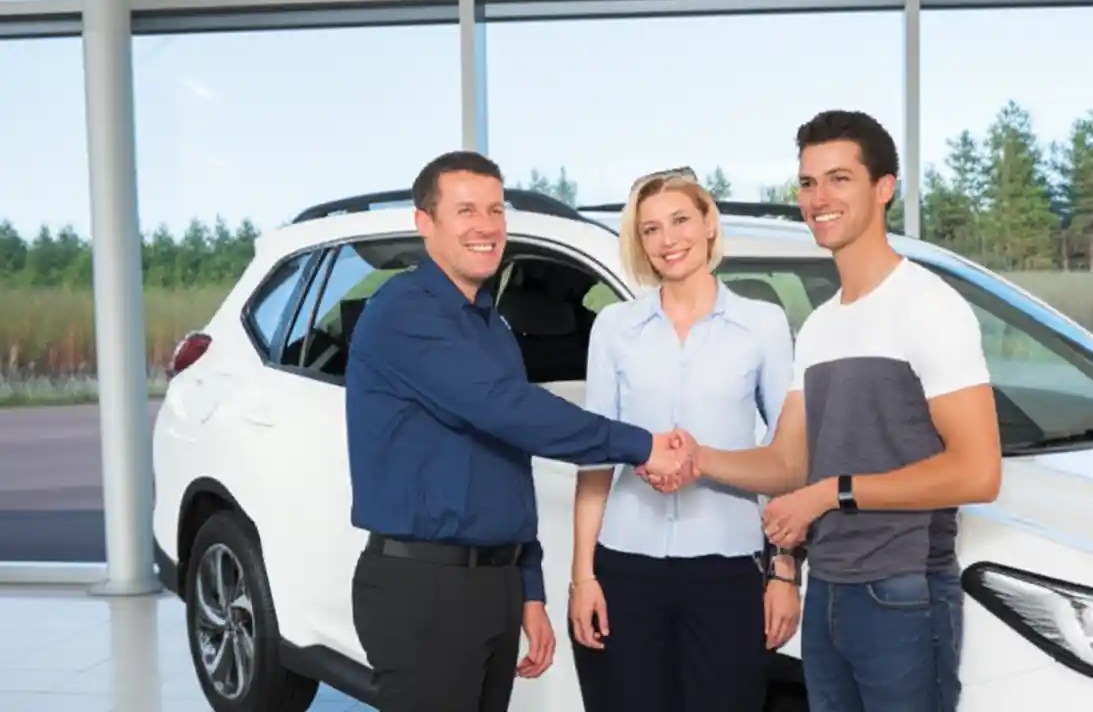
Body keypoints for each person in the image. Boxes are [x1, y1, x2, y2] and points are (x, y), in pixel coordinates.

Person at [643, 111, 1002, 712]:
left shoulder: (927, 307)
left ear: (883, 188)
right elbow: (789, 463)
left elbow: (978, 473)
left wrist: (828, 495)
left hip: (904, 592)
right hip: (829, 591)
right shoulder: (820, 327)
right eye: (807, 183)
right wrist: (699, 459)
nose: (818, 198)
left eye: (839, 179)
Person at [344, 150, 694, 712]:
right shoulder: (404, 313)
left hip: (492, 584)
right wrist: (643, 445)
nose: (486, 226)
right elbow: (508, 410)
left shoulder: (491, 324)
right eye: (466, 211)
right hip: (424, 589)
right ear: (424, 223)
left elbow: (508, 459)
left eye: (495, 209)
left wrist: (527, 587)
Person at [565, 167, 803, 712]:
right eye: (651, 229)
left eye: (679, 221)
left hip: (727, 570)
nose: (668, 240)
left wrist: (785, 570)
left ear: (709, 224)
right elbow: (596, 457)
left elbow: (788, 461)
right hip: (626, 566)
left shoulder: (762, 326)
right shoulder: (614, 328)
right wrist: (583, 577)